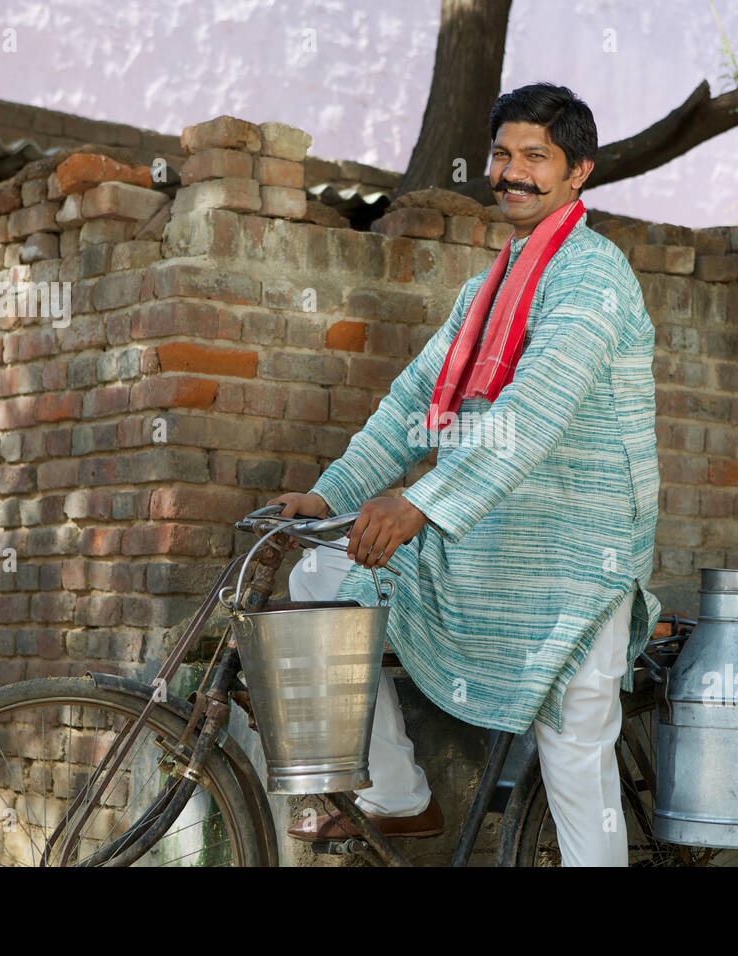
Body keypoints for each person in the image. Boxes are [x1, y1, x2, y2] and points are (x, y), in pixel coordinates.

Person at [268, 82, 661, 866]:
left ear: (578, 171)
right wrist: (329, 494)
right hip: (482, 538)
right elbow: (415, 401)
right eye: (502, 154)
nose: (512, 173)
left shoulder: (593, 277)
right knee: (323, 579)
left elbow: (537, 408)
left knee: (574, 750)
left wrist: (420, 503)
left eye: (535, 158)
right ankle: (397, 794)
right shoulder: (487, 288)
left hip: (578, 556)